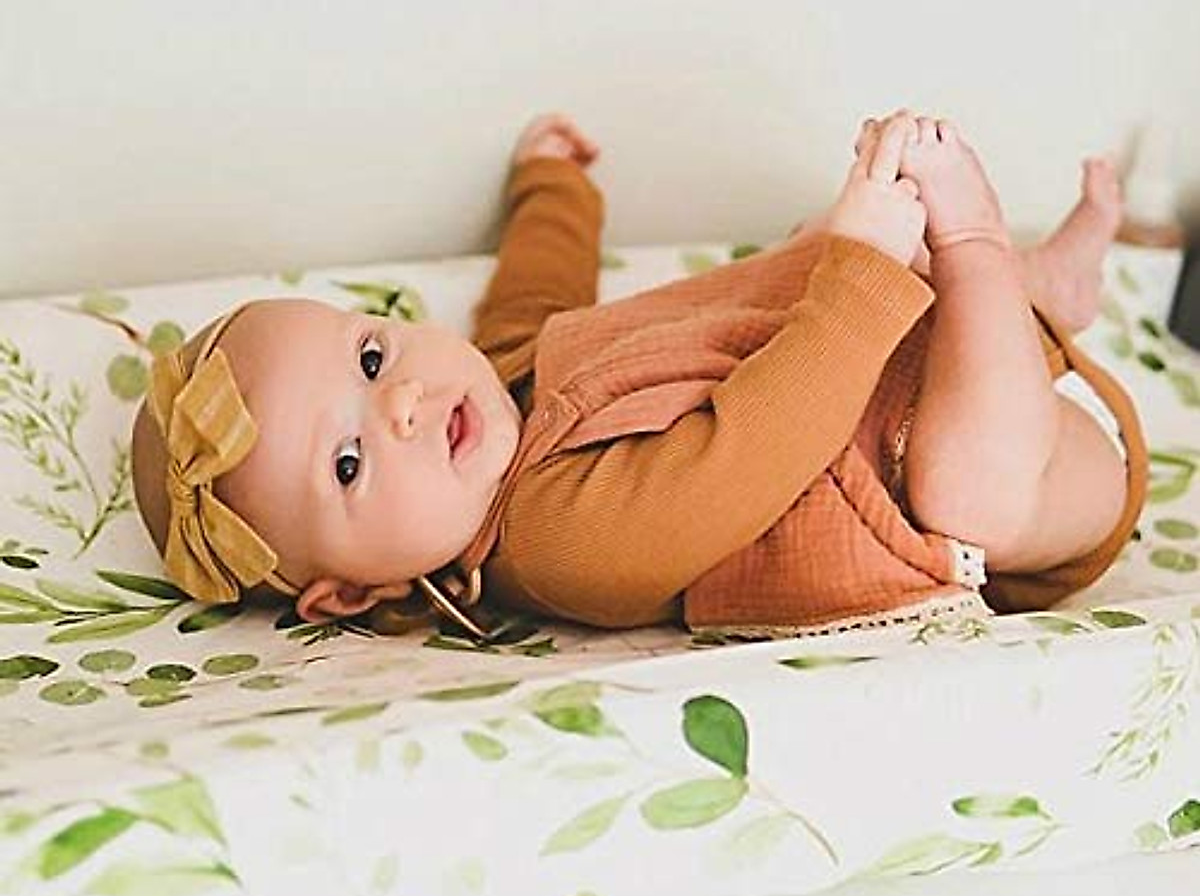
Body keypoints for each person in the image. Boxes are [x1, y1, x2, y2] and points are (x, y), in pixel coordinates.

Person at [130, 110, 1147, 639]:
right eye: (347, 463)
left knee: (805, 252)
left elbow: (532, 300)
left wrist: (552, 192)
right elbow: (747, 455)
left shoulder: (501, 391)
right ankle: (981, 249)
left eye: (371, 358)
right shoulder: (560, 542)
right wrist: (863, 270)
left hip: (917, 366)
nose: (399, 403)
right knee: (965, 479)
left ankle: (1041, 295)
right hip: (996, 492)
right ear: (354, 594)